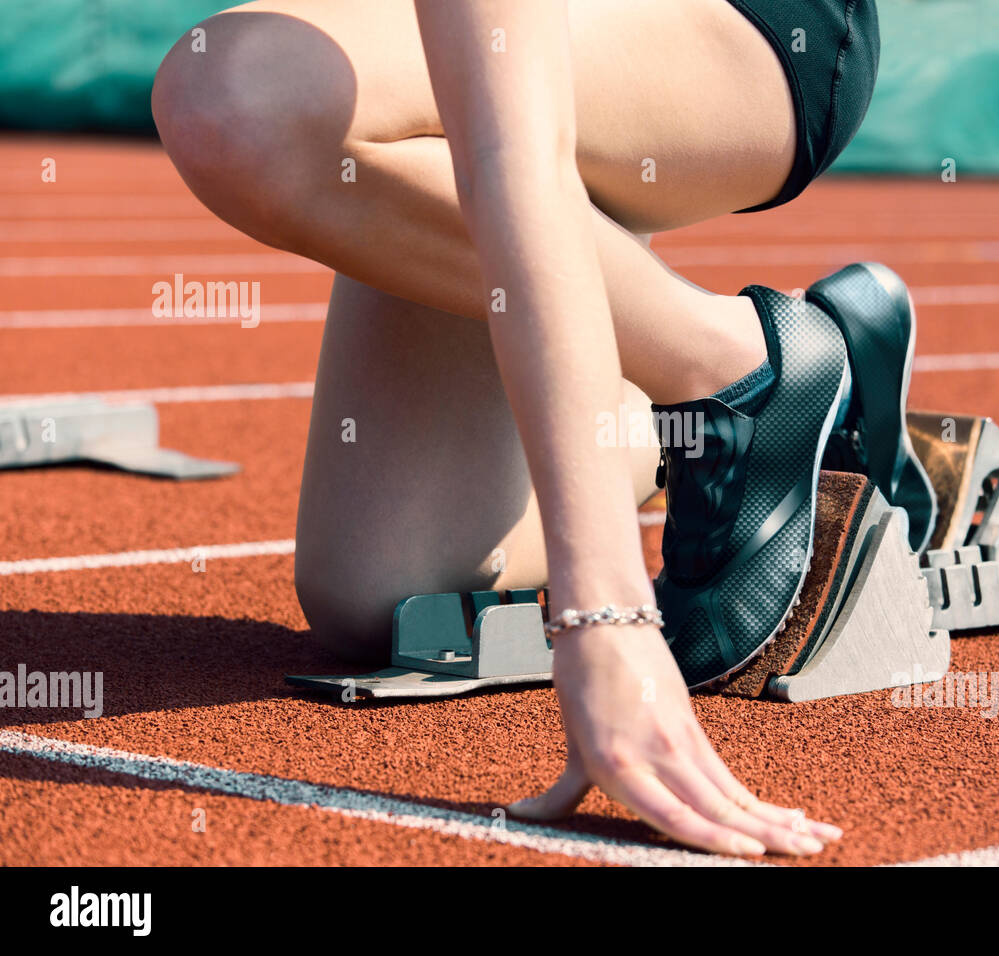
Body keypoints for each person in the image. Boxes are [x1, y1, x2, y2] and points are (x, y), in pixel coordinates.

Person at [151, 0, 932, 857]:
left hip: (744, 35)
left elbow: (512, 155)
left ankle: (739, 365)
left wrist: (604, 615)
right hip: (466, 65)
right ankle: (705, 419)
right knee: (379, 593)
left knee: (243, 95)